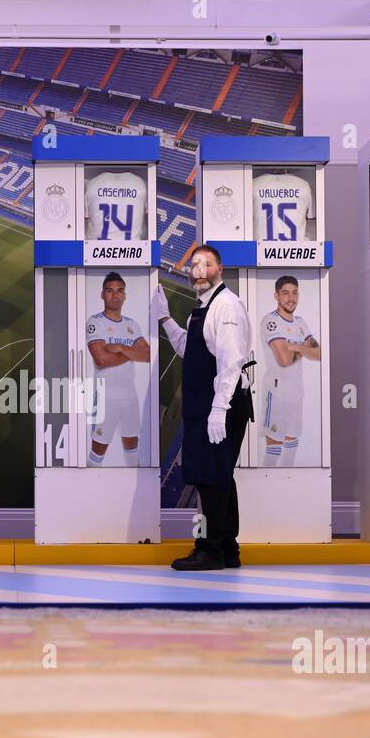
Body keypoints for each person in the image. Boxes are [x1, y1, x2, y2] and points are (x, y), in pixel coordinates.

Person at [152, 244, 253, 571]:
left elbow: (230, 363)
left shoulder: (225, 306)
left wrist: (219, 410)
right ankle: (226, 548)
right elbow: (190, 351)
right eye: (194, 266)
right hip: (206, 406)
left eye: (206, 265)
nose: (199, 271)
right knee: (218, 476)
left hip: (219, 406)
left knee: (210, 478)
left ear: (218, 270)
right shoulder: (202, 309)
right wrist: (165, 318)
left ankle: (208, 549)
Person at [87, 272, 149, 467]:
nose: (115, 295)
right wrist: (132, 352)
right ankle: (89, 487)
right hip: (106, 397)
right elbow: (101, 359)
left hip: (130, 396)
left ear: (125, 295)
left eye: (119, 291)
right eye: (110, 291)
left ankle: (132, 487)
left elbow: (147, 355)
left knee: (132, 443)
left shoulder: (132, 325)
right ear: (102, 295)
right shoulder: (96, 322)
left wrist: (121, 348)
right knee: (99, 448)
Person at [261, 274, 319, 467]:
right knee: (275, 446)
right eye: (285, 293)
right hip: (277, 393)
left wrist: (294, 347)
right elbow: (284, 359)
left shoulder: (301, 323)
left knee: (292, 440)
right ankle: (268, 488)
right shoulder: (271, 321)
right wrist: (304, 348)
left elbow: (318, 353)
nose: (291, 298)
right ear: (276, 296)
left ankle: (288, 486)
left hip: (297, 392)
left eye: (294, 293)